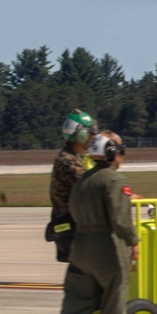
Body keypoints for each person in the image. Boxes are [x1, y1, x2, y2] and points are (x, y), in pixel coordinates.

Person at [51, 131, 140, 314]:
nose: (122, 156)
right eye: (121, 152)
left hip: (80, 249)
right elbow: (120, 220)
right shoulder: (114, 180)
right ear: (111, 153)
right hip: (107, 250)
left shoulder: (82, 181)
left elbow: (73, 210)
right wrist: (133, 242)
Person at [48, 109, 97, 262]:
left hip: (76, 224)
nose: (93, 137)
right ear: (81, 135)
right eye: (90, 133)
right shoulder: (68, 162)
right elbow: (93, 188)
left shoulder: (76, 158)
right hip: (72, 226)